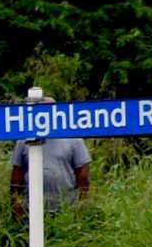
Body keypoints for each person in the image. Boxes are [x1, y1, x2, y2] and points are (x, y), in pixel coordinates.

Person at [9, 86, 91, 214]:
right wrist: (15, 203)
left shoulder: (73, 138)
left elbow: (83, 174)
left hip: (66, 208)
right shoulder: (24, 139)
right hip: (30, 208)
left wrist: (82, 203)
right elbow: (16, 175)